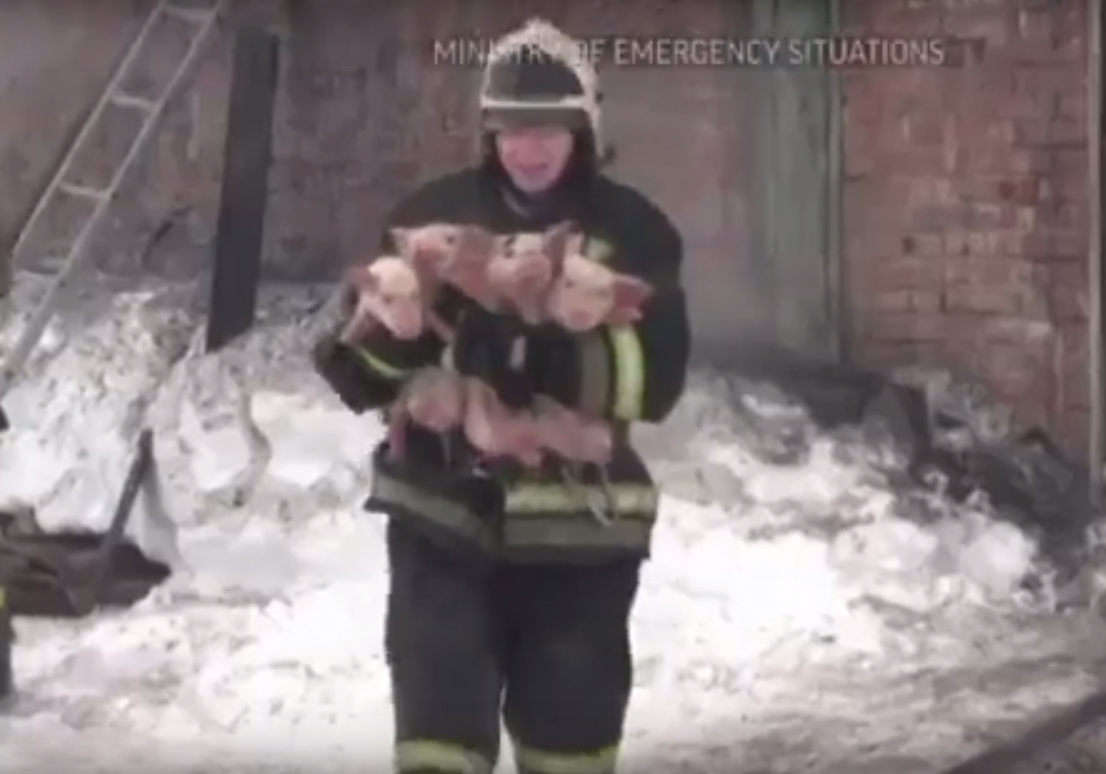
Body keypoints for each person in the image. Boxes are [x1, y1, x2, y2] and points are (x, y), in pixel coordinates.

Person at [313, 18, 691, 774]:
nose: (529, 148)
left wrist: (541, 341)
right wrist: (403, 330)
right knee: (438, 740)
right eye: (512, 130)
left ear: (583, 129)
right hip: (442, 521)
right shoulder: (431, 213)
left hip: (578, 535)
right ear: (489, 134)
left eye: (548, 128)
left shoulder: (632, 230)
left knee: (570, 741)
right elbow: (356, 376)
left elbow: (657, 381)